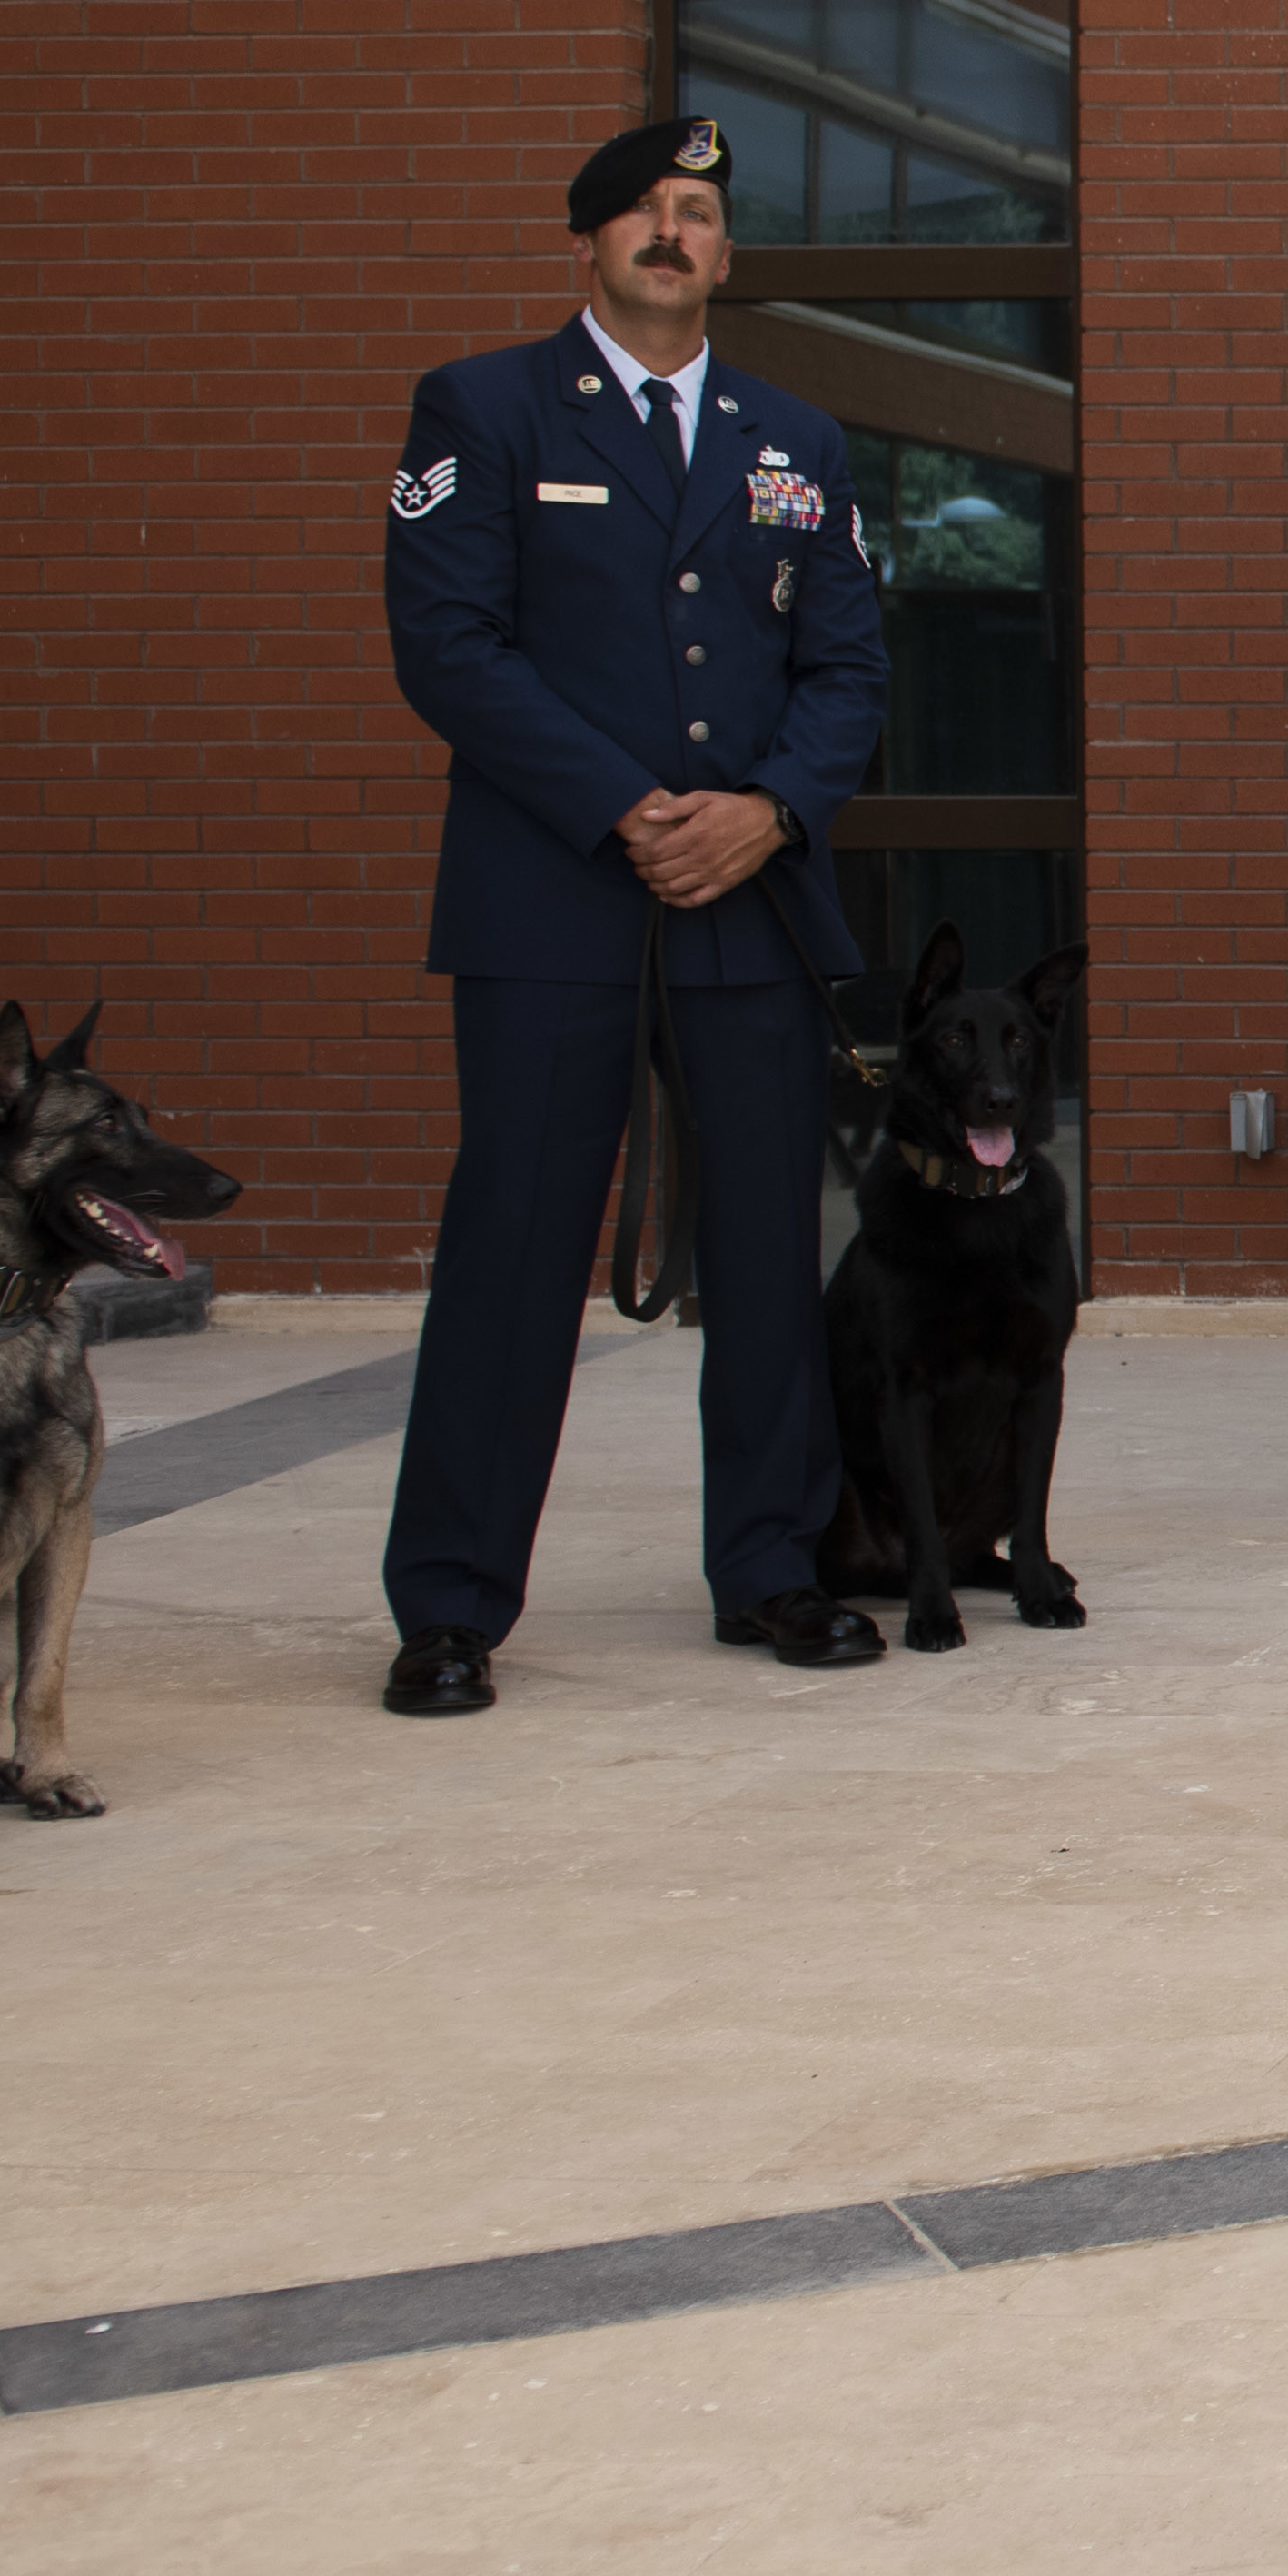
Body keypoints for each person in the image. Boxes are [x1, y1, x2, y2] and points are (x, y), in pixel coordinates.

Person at [376, 117, 898, 1714]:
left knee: (760, 1252)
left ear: (726, 255)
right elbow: (450, 649)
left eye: (700, 215)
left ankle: (773, 1567)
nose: (675, 234)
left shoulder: (797, 436)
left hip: (750, 903)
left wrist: (768, 811)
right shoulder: (483, 407)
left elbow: (850, 668)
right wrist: (623, 805)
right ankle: (452, 1604)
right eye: (646, 214)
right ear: (588, 245)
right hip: (554, 903)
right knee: (515, 1250)